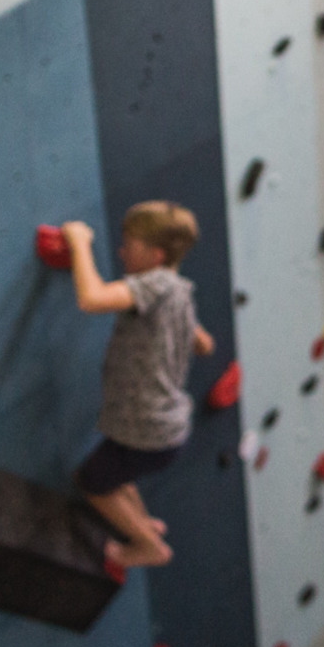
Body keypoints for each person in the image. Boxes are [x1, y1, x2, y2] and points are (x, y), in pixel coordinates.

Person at [60, 202, 214, 569]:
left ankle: (147, 547)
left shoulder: (155, 284)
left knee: (92, 482)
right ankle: (143, 525)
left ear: (155, 255)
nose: (121, 251)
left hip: (145, 429)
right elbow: (205, 345)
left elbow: (92, 298)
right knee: (120, 476)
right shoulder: (179, 288)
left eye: (130, 245)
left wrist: (79, 243)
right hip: (160, 426)